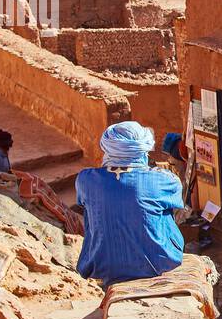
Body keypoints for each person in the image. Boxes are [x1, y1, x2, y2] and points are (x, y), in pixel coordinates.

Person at [75, 121, 184, 287]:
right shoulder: (165, 180)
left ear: (107, 149)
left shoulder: (86, 180)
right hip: (157, 265)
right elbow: (175, 201)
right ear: (143, 149)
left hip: (101, 265)